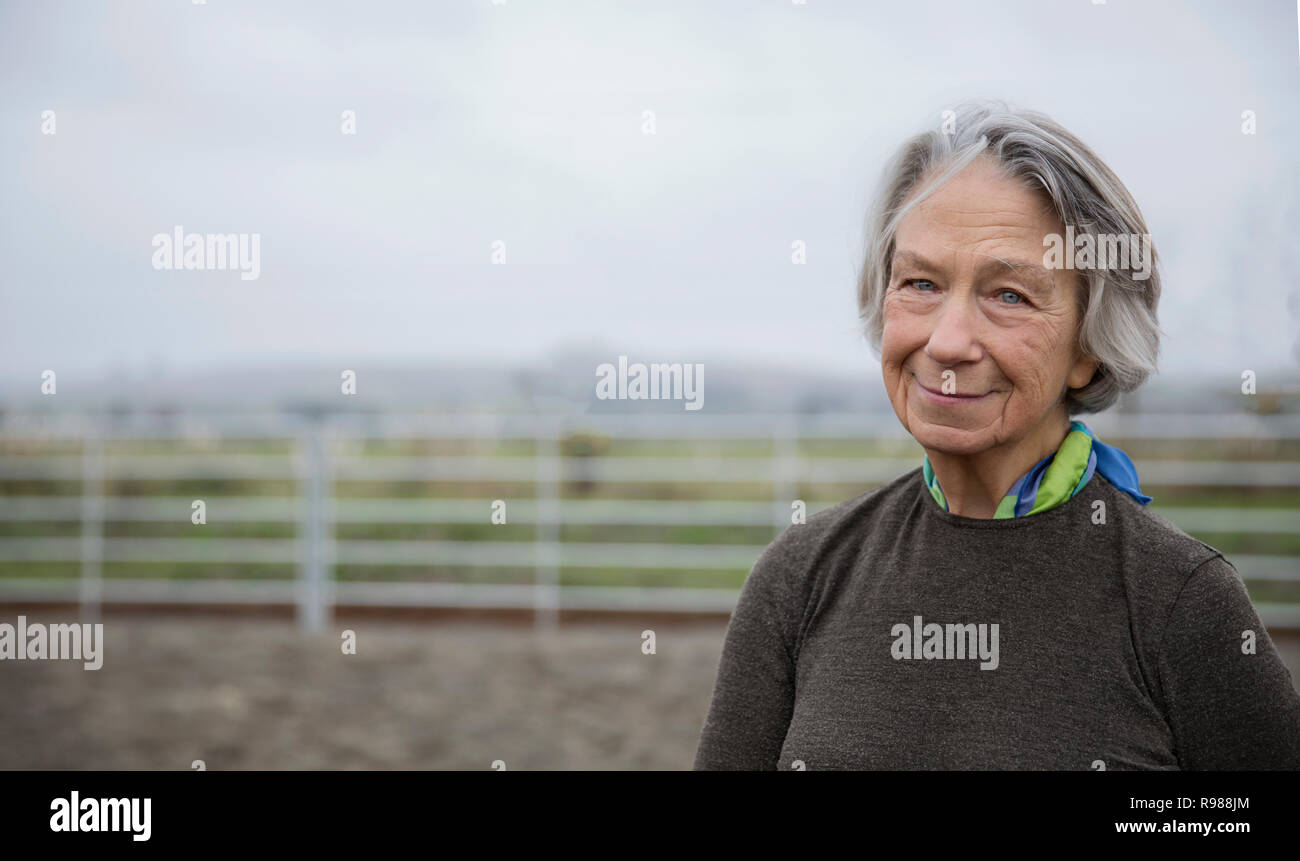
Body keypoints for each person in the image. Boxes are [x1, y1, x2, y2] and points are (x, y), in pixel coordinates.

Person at [693, 101, 1300, 769]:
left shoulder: (1183, 602)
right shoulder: (800, 577)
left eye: (1008, 294)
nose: (948, 342)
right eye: (920, 283)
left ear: (1089, 345)